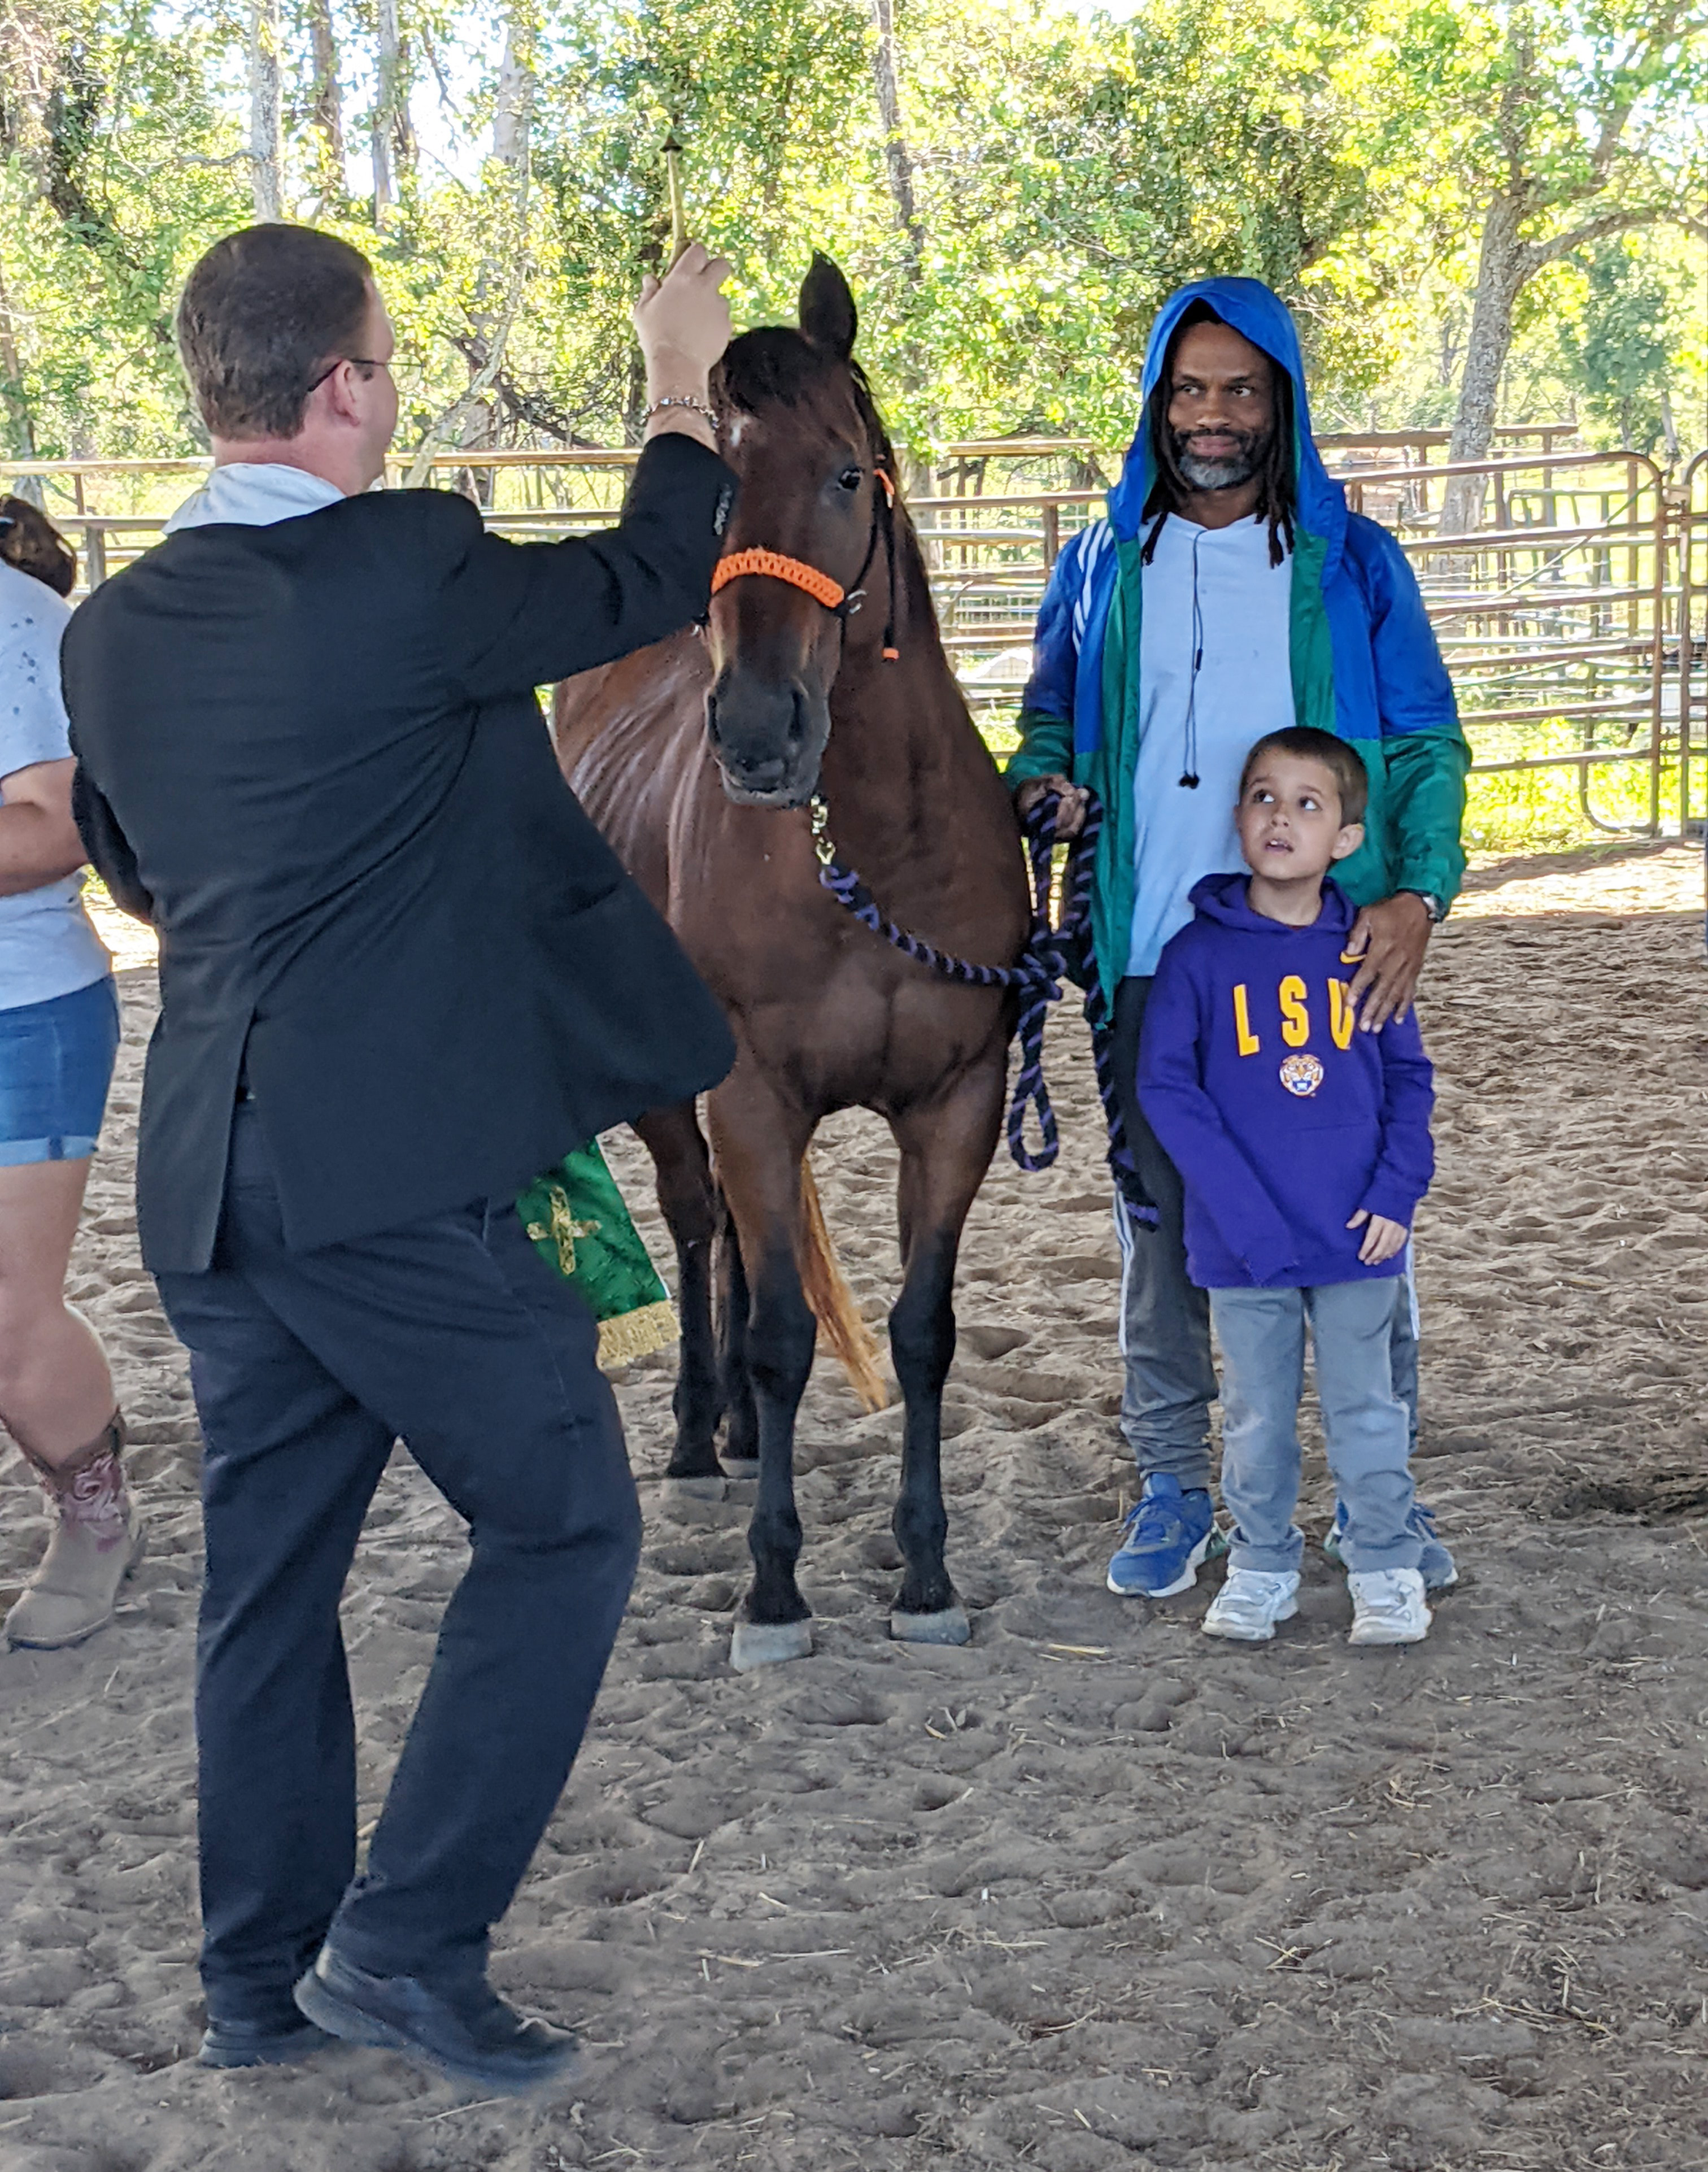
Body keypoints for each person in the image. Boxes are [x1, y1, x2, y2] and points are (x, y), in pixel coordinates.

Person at [64, 223, 739, 2090]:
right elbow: (650, 572)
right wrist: (677, 376)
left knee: (268, 1585)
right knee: (568, 1519)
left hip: (204, 1171)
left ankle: (256, 1977)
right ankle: (409, 1940)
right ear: (346, 385)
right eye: (384, 360)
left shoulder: (109, 630)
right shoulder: (407, 562)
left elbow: (136, 865)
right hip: (386, 1177)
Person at [1005, 276, 1466, 1601]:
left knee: (1361, 1219)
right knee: (1164, 1231)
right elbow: (1049, 716)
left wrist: (1416, 895)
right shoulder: (1102, 562)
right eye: (1191, 389)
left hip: (1328, 949)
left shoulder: (1353, 563)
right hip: (1156, 952)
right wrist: (1046, 784)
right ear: (1160, 402)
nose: (1213, 415)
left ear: (1282, 403)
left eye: (1242, 390)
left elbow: (1425, 739)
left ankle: (1379, 1497)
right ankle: (1176, 1485)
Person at [1138, 726, 1436, 1646]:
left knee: (1366, 1410)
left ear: (1345, 837)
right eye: (1264, 797)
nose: (1281, 817)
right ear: (1237, 818)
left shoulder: (1365, 949)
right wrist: (1242, 1216)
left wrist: (1397, 1193)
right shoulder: (1196, 956)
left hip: (1357, 1234)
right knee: (1258, 1417)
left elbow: (1409, 1080)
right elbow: (1167, 1088)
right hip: (1243, 1245)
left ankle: (1385, 1566)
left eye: (1309, 804)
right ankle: (1263, 1565)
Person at [0, 498, 137, 1652]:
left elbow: (58, 828)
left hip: (20, 1008)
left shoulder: (18, 627)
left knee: (6, 1314)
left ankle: (93, 1512)